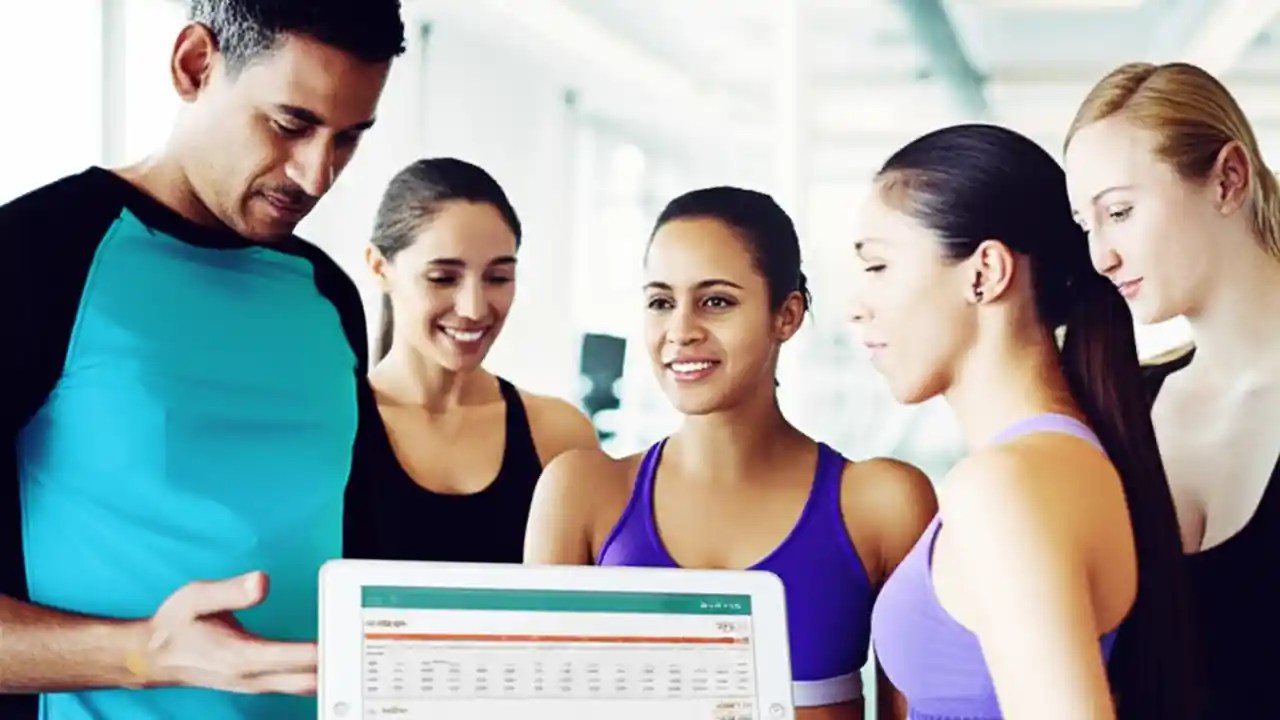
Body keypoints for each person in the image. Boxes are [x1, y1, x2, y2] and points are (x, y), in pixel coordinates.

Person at [0, 1, 405, 718]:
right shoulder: (36, 256)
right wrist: (142, 653)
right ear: (195, 65)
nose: (317, 174)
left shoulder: (328, 294)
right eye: (290, 124)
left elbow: (361, 564)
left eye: (349, 139)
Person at [524, 186, 938, 720]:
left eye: (715, 301)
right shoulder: (581, 492)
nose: (680, 331)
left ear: (785, 316)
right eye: (660, 302)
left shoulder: (882, 502)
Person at [858, 124, 1195, 720]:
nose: (857, 306)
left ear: (984, 272)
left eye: (878, 267)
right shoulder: (1049, 466)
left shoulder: (1005, 486)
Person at [1064, 61, 1280, 718]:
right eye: (1085, 225)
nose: (1102, 255)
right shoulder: (1119, 406)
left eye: (1120, 212)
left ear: (1229, 180)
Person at [343, 158, 598, 563]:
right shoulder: (332, 427)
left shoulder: (561, 436)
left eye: (498, 278)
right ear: (379, 267)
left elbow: (583, 616)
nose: (474, 308)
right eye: (443, 278)